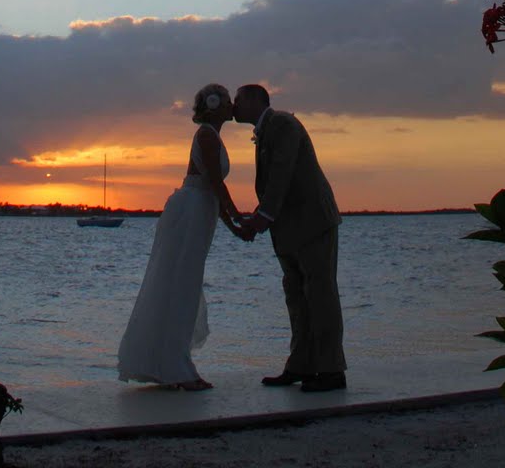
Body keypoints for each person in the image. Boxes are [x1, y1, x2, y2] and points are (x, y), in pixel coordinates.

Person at [117, 83, 248, 390]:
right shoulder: (206, 135)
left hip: (200, 210)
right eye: (229, 101)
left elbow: (215, 189)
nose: (233, 106)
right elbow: (216, 184)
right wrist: (237, 223)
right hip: (191, 210)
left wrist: (231, 223)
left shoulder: (211, 135)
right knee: (181, 284)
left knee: (183, 283)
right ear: (216, 105)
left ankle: (169, 363)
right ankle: (177, 368)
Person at [232, 83, 346, 392]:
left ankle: (332, 370)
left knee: (320, 296)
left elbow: (282, 172)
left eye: (238, 99)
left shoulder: (282, 123)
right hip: (289, 229)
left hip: (312, 223)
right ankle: (302, 366)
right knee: (297, 298)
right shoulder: (266, 130)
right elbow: (274, 181)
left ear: (257, 99)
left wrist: (260, 219)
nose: (233, 105)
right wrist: (262, 218)